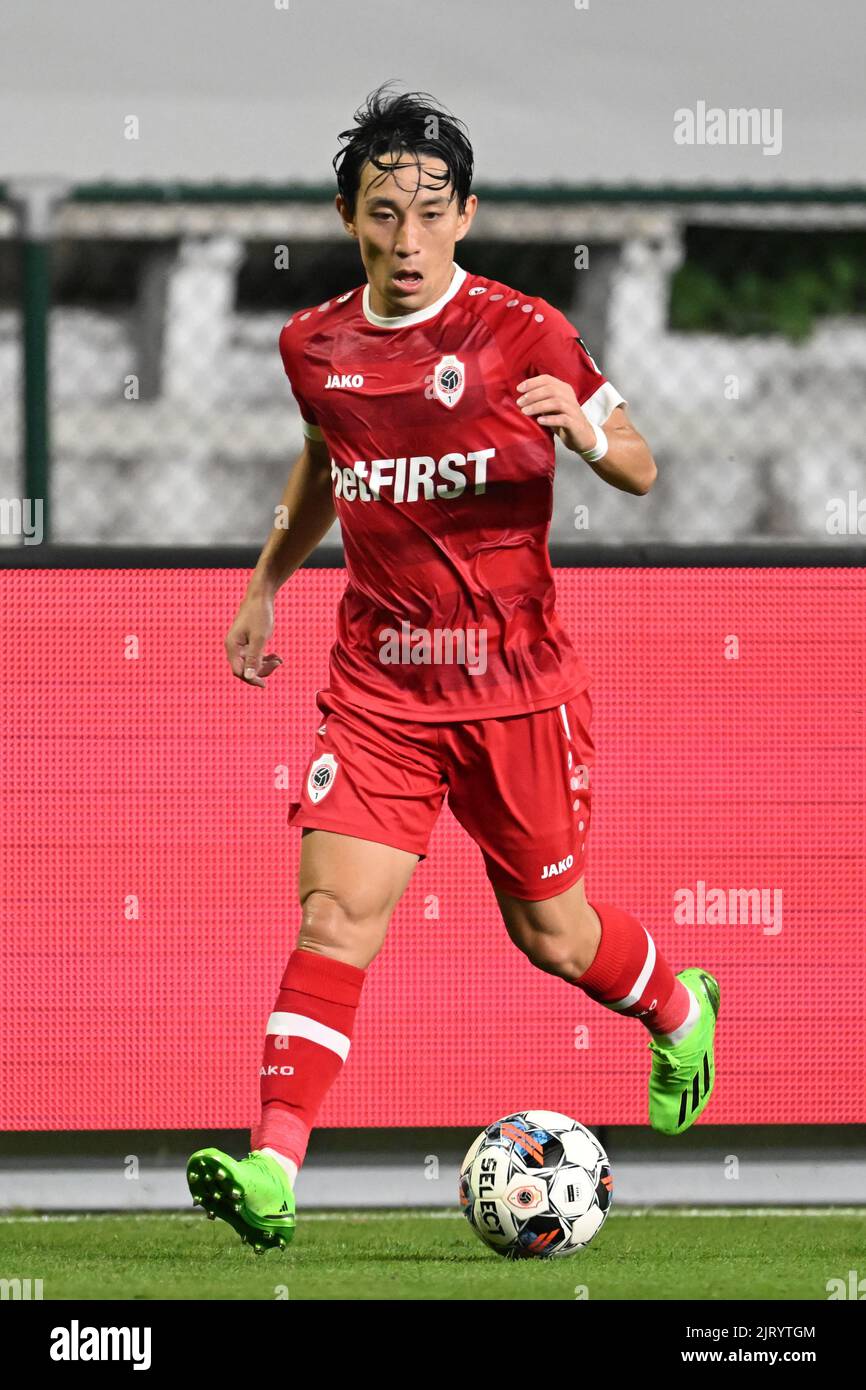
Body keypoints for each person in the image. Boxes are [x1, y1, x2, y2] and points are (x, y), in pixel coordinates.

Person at [187, 84, 719, 1253]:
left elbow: (638, 462)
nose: (407, 237)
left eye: (430, 212)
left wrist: (580, 432)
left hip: (516, 688)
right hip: (379, 689)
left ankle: (680, 1007)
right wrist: (265, 583)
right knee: (334, 915)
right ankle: (274, 1168)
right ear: (347, 218)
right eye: (384, 212)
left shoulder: (523, 330)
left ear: (465, 216)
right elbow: (326, 459)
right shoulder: (311, 346)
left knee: (554, 937)